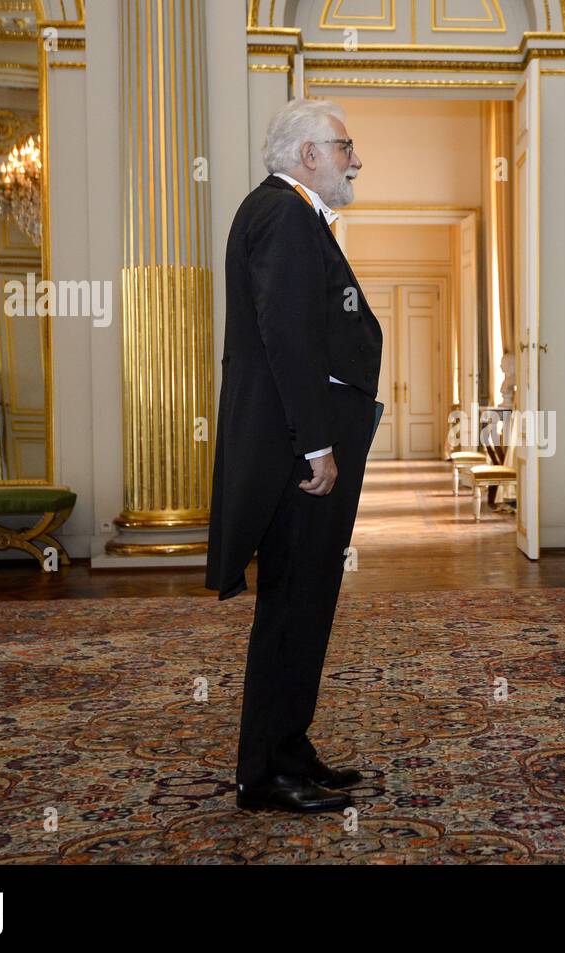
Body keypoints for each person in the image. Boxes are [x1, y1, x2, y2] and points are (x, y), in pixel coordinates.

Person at [205, 98, 382, 813]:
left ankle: (290, 747)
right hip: (295, 452)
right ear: (308, 155)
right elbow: (287, 339)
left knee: (306, 603)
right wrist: (318, 446)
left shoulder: (290, 213)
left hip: (299, 443)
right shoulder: (281, 214)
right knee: (291, 607)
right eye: (345, 147)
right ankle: (266, 772)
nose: (355, 160)